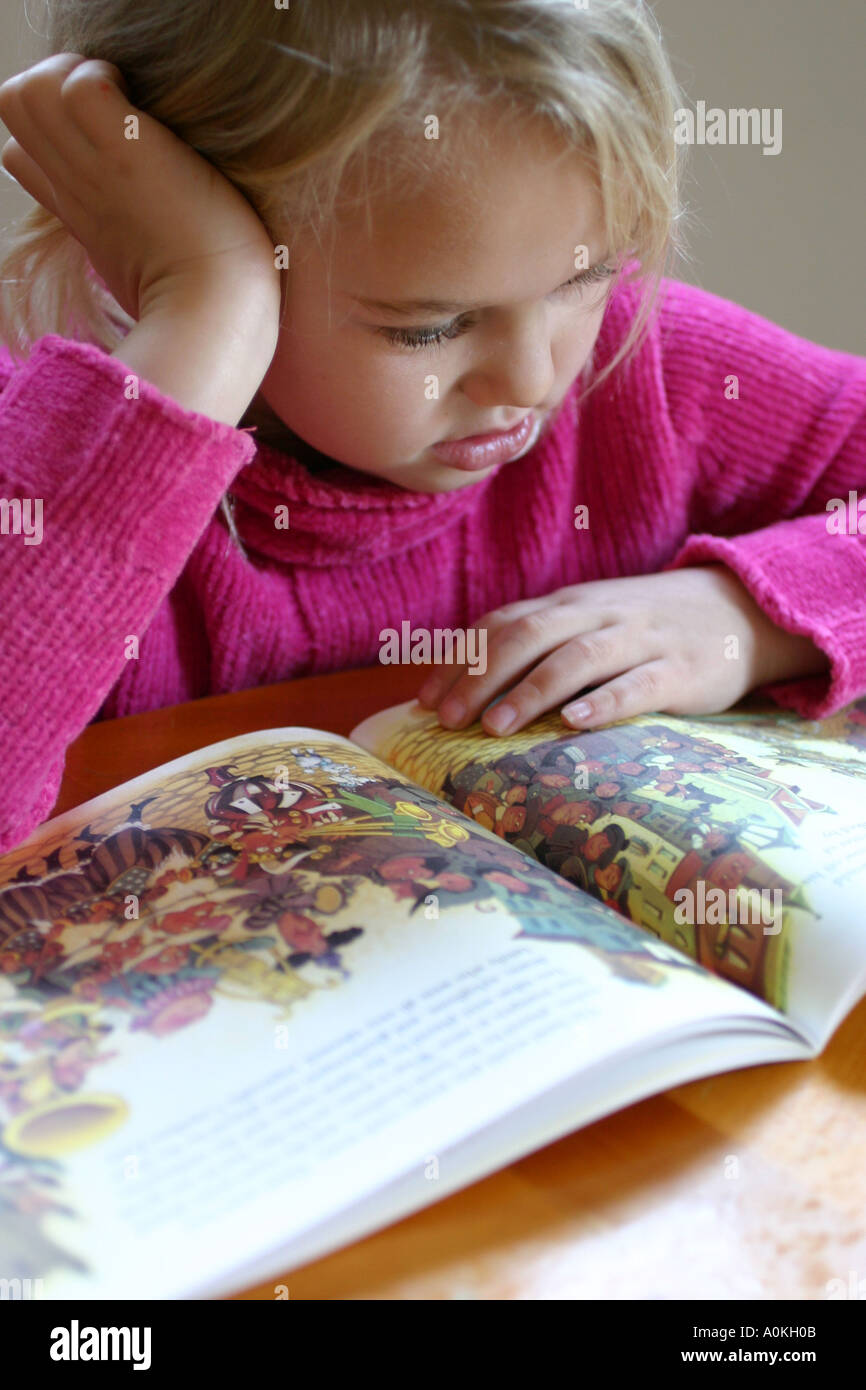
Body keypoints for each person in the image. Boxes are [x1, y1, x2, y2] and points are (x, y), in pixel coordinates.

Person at [0, 0, 863, 855]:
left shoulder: (652, 376)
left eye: (587, 276)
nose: (530, 380)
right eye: (430, 328)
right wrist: (202, 311)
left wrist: (748, 618)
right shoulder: (45, 473)